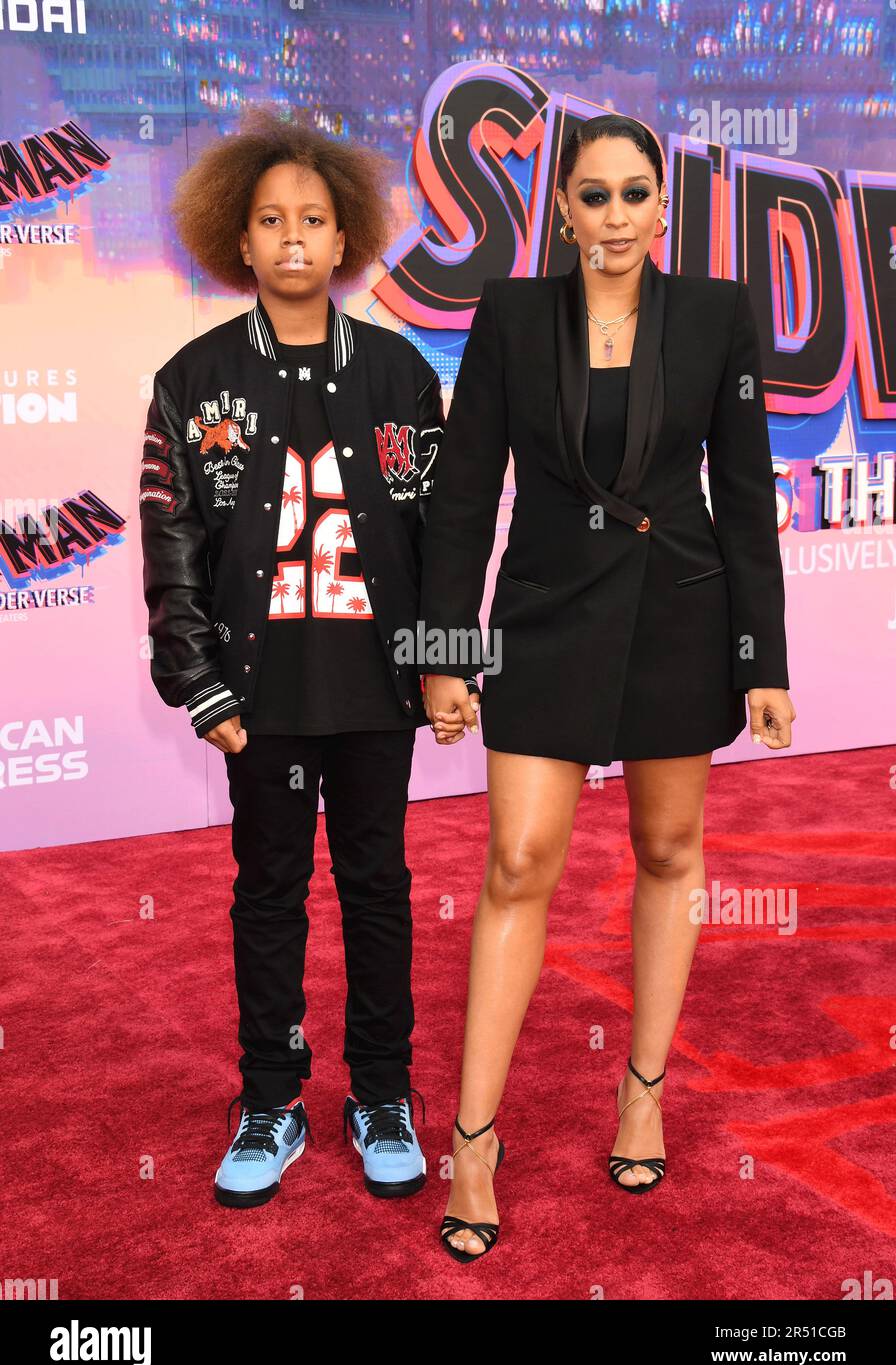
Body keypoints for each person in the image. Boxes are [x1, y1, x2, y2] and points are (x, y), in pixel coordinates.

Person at [419, 114, 796, 1261]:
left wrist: (763, 659)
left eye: (636, 195)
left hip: (681, 614)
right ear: (564, 209)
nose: (616, 215)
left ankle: (641, 1090)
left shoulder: (714, 314)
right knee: (516, 860)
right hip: (542, 611)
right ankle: (472, 1141)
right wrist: (442, 647)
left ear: (660, 209)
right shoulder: (511, 313)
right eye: (594, 195)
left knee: (669, 851)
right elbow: (461, 489)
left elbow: (741, 493)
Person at [139, 106, 465, 1208]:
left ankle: (382, 1089)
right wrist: (198, 681)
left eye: (312, 220)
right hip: (258, 698)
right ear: (239, 237)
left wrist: (443, 663)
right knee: (269, 891)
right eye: (270, 219)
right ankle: (270, 1097)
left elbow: (445, 537)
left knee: (379, 886)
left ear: (345, 241)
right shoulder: (189, 382)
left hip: (376, 690)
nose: (291, 238)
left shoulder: (401, 374)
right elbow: (170, 541)